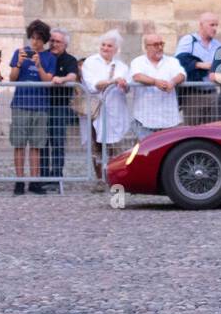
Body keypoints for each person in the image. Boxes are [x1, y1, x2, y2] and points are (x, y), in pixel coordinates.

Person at [7, 20, 55, 196]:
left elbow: (48, 80)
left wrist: (39, 65)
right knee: (19, 144)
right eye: (33, 38)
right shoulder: (19, 53)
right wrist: (19, 63)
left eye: (39, 39)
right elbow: (12, 78)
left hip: (40, 106)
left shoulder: (49, 57)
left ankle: (34, 181)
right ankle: (19, 181)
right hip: (20, 104)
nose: (35, 42)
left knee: (36, 145)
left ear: (45, 40)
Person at [83, 30, 131, 185]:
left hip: (116, 110)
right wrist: (113, 81)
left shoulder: (122, 66)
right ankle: (99, 179)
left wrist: (123, 84)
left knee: (115, 147)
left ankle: (116, 179)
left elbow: (128, 87)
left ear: (115, 49)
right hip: (96, 111)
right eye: (103, 45)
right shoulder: (90, 62)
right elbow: (92, 85)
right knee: (96, 146)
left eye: (109, 46)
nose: (105, 48)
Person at [36, 28, 80, 194]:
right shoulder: (43, 56)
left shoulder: (69, 59)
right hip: (41, 105)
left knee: (57, 142)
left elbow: (73, 76)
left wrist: (61, 79)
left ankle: (56, 177)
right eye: (52, 41)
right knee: (41, 142)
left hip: (59, 106)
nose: (54, 44)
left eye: (58, 41)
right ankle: (43, 176)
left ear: (65, 44)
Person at [131, 33, 185, 139]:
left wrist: (172, 82)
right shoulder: (138, 61)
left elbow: (181, 75)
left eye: (161, 44)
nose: (160, 47)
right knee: (146, 153)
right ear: (146, 47)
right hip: (145, 119)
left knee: (168, 152)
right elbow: (137, 76)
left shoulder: (172, 61)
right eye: (156, 45)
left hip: (168, 119)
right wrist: (155, 82)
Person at [175, 12, 221, 123]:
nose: (215, 28)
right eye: (212, 25)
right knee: (192, 129)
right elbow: (179, 60)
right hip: (193, 93)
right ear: (201, 25)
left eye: (216, 25)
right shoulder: (189, 41)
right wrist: (201, 65)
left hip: (212, 92)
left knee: (213, 128)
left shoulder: (218, 45)